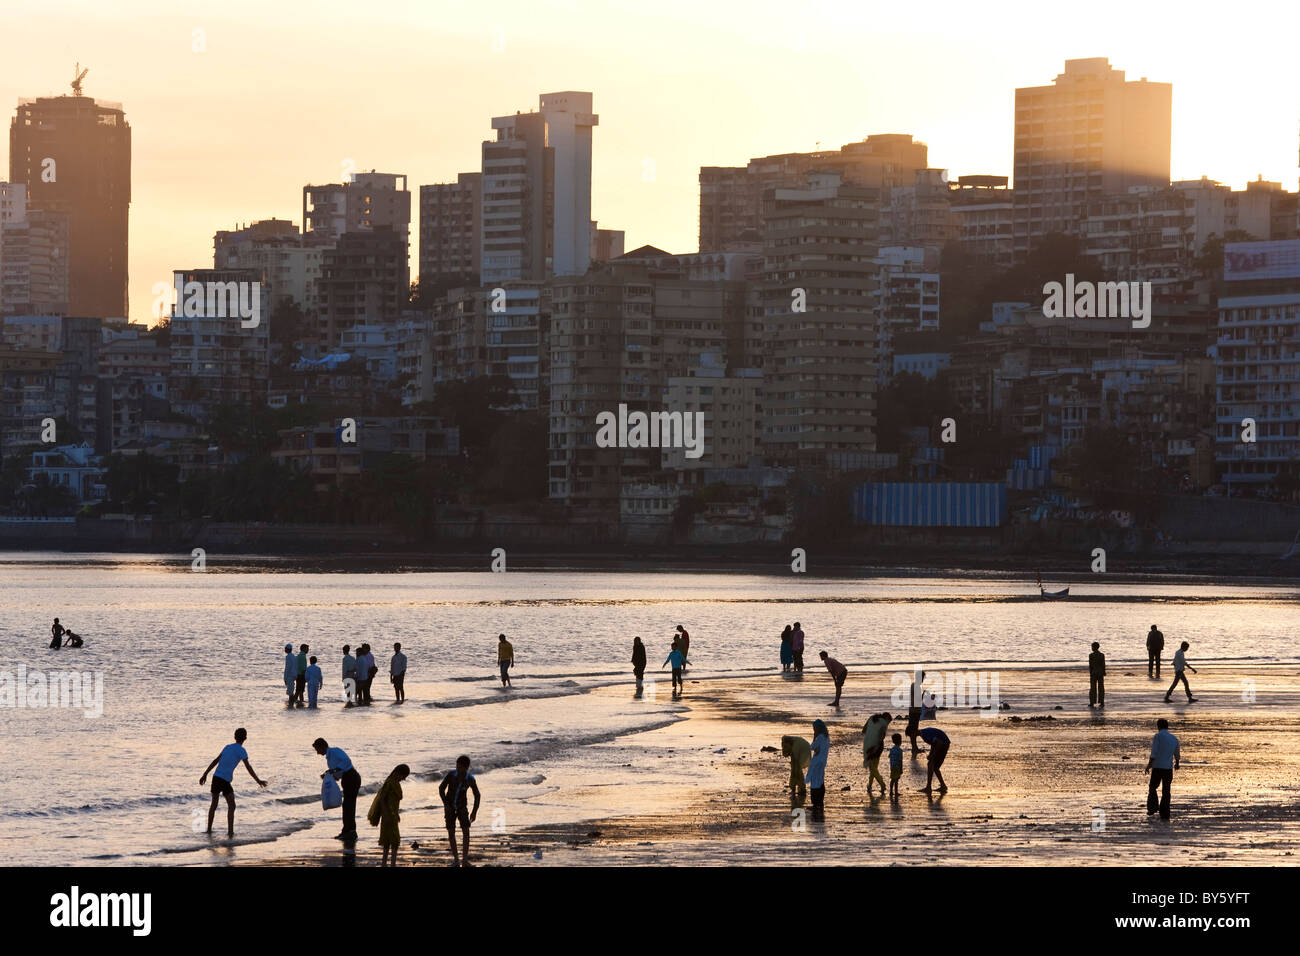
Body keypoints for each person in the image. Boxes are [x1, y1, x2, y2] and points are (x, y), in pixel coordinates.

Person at [199, 728, 267, 836]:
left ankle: (209, 830)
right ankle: (230, 832)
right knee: (232, 806)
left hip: (216, 777)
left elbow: (216, 761)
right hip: (225, 780)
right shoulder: (242, 750)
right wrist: (258, 781)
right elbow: (248, 767)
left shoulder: (227, 747)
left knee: (214, 805)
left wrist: (205, 774)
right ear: (245, 738)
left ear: (235, 737)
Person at [313, 737, 361, 841]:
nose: (317, 753)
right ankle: (347, 831)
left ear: (322, 746)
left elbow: (346, 761)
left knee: (349, 806)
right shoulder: (329, 758)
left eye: (317, 750)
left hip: (352, 777)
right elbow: (336, 774)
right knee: (347, 806)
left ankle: (350, 831)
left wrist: (333, 771)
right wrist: (327, 775)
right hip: (347, 779)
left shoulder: (335, 751)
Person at [439, 755, 481, 867]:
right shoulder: (451, 775)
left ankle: (465, 860)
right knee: (451, 831)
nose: (458, 769)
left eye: (460, 767)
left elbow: (477, 795)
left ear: (466, 768)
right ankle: (456, 860)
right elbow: (441, 788)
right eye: (457, 766)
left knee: (466, 832)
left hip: (462, 806)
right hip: (450, 807)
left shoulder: (470, 779)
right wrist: (445, 804)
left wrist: (474, 812)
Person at [369, 764, 410, 866]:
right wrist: (386, 814)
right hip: (388, 816)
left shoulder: (395, 782)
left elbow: (394, 801)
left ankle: (386, 863)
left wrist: (396, 814)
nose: (403, 779)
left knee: (388, 841)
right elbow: (382, 799)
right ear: (398, 773)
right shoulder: (389, 782)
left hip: (393, 815)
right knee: (394, 841)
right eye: (403, 776)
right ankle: (391, 864)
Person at [1144, 717, 1180, 820]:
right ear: (1167, 727)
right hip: (1168, 768)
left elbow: (1154, 752)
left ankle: (1152, 807)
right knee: (1166, 790)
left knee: (1153, 787)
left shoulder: (1158, 736)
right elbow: (1177, 753)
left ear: (1158, 726)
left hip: (1158, 767)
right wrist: (1177, 764)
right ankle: (1165, 813)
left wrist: (1149, 765)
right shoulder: (1174, 738)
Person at [862, 712, 892, 795]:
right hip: (878, 746)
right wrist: (876, 747)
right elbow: (881, 736)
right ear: (886, 718)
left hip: (868, 744)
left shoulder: (871, 718)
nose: (888, 724)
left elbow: (864, 730)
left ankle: (870, 785)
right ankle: (882, 784)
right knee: (873, 767)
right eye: (889, 722)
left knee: (873, 767)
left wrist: (870, 735)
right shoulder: (884, 723)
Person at [806, 719, 830, 813]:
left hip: (816, 762)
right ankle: (820, 803)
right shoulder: (827, 737)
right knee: (820, 782)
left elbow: (812, 747)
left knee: (815, 783)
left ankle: (815, 804)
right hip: (822, 762)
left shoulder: (819, 737)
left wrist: (814, 737)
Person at [918, 726, 949, 793]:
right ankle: (943, 786)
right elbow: (934, 744)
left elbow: (939, 743)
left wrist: (932, 755)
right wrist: (931, 754)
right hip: (944, 743)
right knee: (934, 767)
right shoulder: (924, 733)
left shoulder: (925, 735)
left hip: (944, 744)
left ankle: (929, 787)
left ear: (913, 732)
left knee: (931, 765)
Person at [781, 734, 811, 799]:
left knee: (797, 770)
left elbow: (795, 757)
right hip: (802, 750)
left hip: (803, 753)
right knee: (795, 769)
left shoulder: (795, 746)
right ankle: (795, 787)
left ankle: (801, 788)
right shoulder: (790, 741)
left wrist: (794, 763)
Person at [905, 670, 926, 754]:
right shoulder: (916, 686)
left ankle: (915, 747)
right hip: (915, 711)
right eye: (923, 677)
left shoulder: (914, 685)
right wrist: (924, 695)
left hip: (913, 710)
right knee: (913, 730)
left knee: (913, 729)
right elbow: (918, 700)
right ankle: (914, 748)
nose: (923, 679)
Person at [1088, 641, 1106, 708]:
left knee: (1093, 688)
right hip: (1100, 673)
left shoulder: (1091, 655)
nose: (1091, 648)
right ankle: (1101, 702)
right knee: (1101, 688)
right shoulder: (1102, 655)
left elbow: (1091, 665)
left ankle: (1092, 702)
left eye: (1092, 647)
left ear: (1093, 647)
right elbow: (1103, 664)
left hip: (1094, 673)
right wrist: (1104, 672)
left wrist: (1090, 672)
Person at [887, 733, 904, 799]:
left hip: (892, 766)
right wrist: (901, 769)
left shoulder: (892, 749)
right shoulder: (900, 750)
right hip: (897, 767)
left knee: (893, 779)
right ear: (900, 741)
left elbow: (889, 757)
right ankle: (895, 792)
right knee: (896, 780)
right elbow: (900, 760)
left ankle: (891, 791)